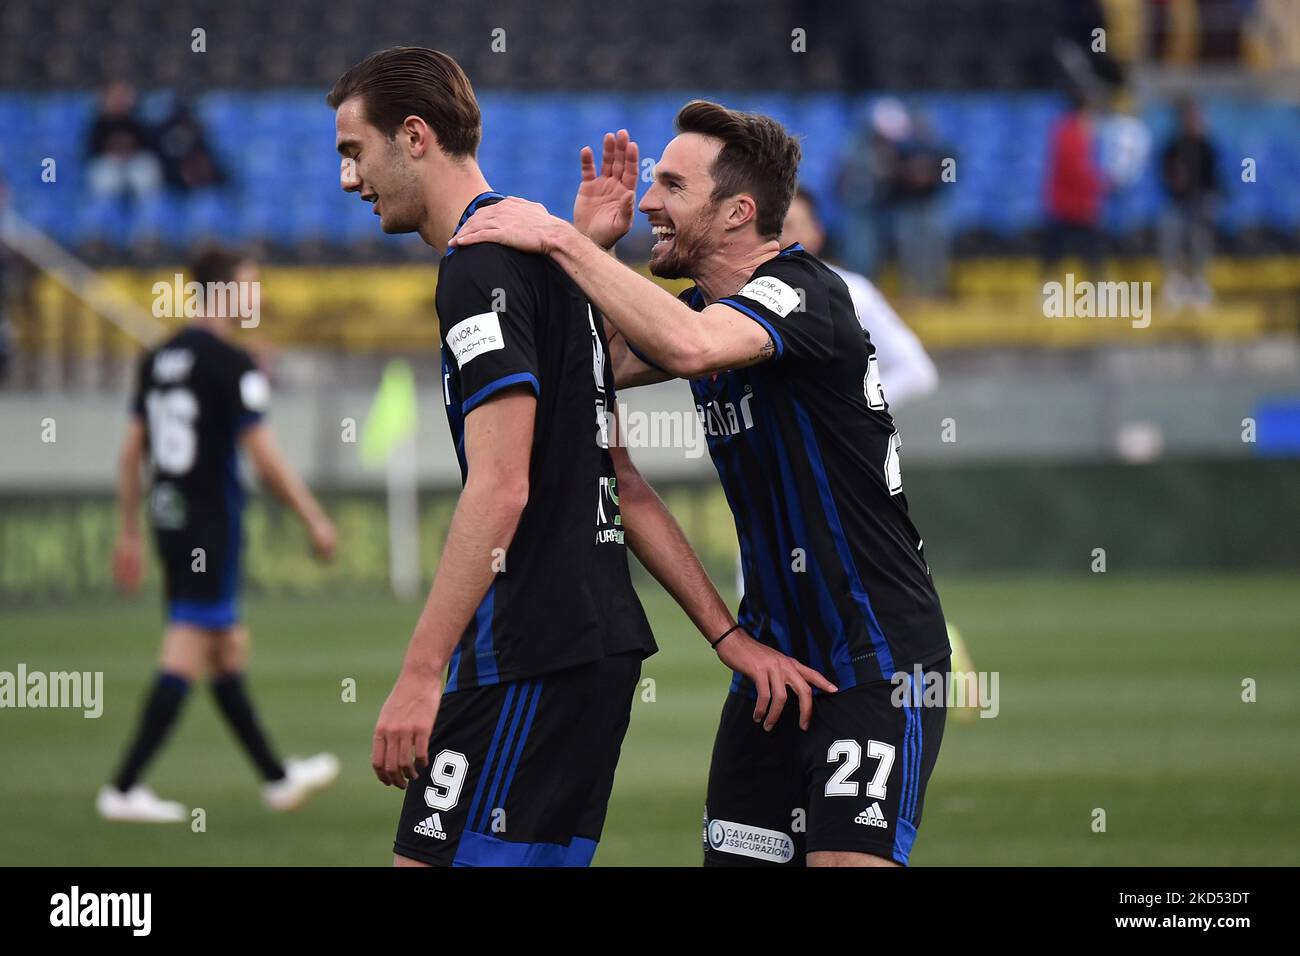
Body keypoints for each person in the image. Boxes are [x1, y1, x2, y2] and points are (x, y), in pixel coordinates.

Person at [329, 47, 827, 867]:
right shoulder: (550, 257)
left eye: (356, 151)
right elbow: (613, 472)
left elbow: (501, 486)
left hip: (532, 646)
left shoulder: (482, 262)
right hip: (581, 643)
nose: (350, 179)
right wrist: (727, 637)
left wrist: (421, 674)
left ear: (413, 136)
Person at [453, 103, 953, 867]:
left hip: (875, 655)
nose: (649, 199)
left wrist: (554, 237)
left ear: (737, 213)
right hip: (775, 660)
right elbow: (593, 367)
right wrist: (593, 241)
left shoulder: (804, 293)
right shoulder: (705, 311)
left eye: (672, 187)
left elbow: (689, 348)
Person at [103, 248, 340, 822]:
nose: (255, 297)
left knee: (225, 650)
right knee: (188, 648)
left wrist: (130, 532)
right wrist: (313, 517)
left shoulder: (159, 358)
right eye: (249, 286)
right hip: (208, 524)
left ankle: (277, 779)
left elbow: (132, 451)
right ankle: (124, 788)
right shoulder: (232, 364)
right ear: (224, 292)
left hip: (169, 518)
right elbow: (264, 459)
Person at [1158, 98, 1219, 309]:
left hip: (1199, 203)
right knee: (1172, 227)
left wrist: (1209, 198)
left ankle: (1198, 279)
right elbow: (1165, 175)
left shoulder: (1207, 147)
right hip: (1178, 203)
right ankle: (1175, 280)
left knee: (1200, 232)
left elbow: (1213, 181)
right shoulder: (1173, 146)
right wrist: (1175, 181)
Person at [85, 81, 163, 204]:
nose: (119, 101)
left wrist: (129, 148)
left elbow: (148, 146)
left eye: (122, 97)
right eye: (115, 97)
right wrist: (112, 149)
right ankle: (106, 213)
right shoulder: (100, 123)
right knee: (105, 176)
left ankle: (147, 214)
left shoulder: (136, 121)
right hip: (110, 163)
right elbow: (93, 150)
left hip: (133, 161)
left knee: (146, 170)